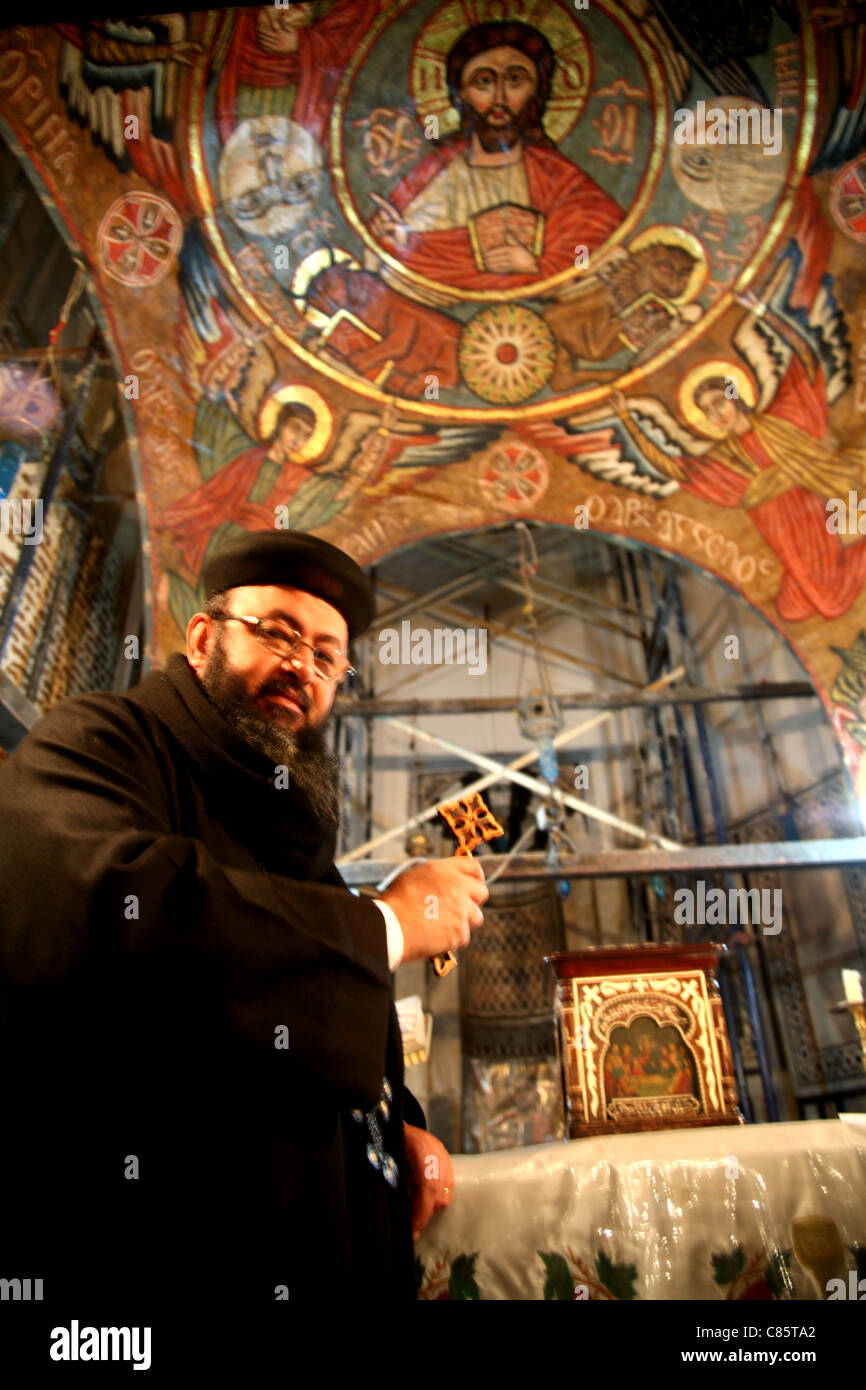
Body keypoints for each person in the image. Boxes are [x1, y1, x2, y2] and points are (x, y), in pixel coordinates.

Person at [0, 530, 488, 1316]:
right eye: (278, 633)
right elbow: (121, 912)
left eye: (328, 657)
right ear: (202, 638)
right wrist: (388, 926)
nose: (303, 668)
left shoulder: (286, 822)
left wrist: (399, 1121)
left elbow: (313, 1009)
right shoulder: (102, 743)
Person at [370, 20, 623, 289]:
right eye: (484, 82)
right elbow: (398, 255)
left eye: (515, 80)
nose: (499, 97)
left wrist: (537, 266)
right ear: (461, 94)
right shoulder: (434, 172)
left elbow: (600, 251)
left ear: (537, 91)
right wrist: (394, 242)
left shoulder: (558, 177)